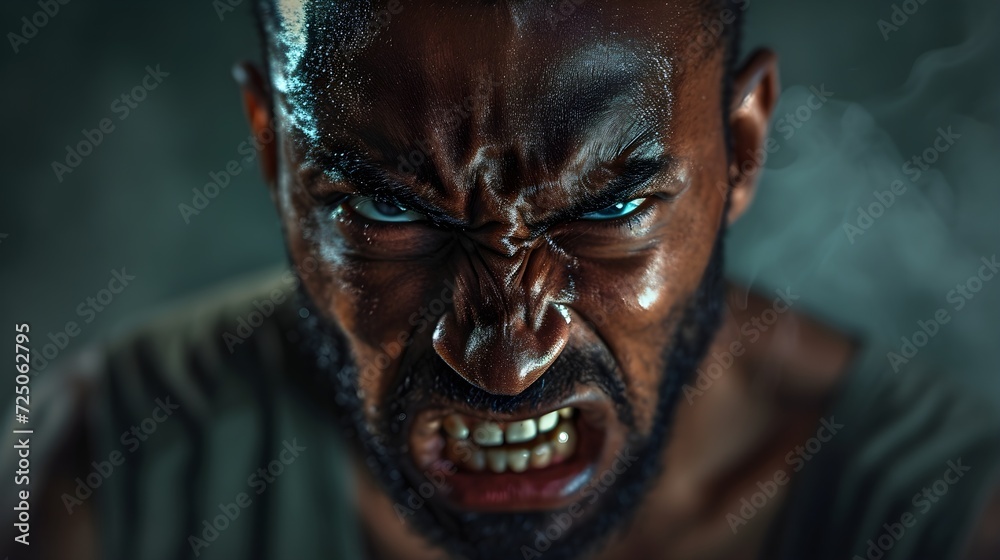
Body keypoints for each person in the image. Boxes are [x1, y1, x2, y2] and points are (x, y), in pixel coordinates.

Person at [4, 1, 999, 559]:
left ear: (739, 148)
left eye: (607, 209)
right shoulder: (88, 475)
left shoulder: (948, 515)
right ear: (274, 157)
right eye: (391, 210)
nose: (507, 357)